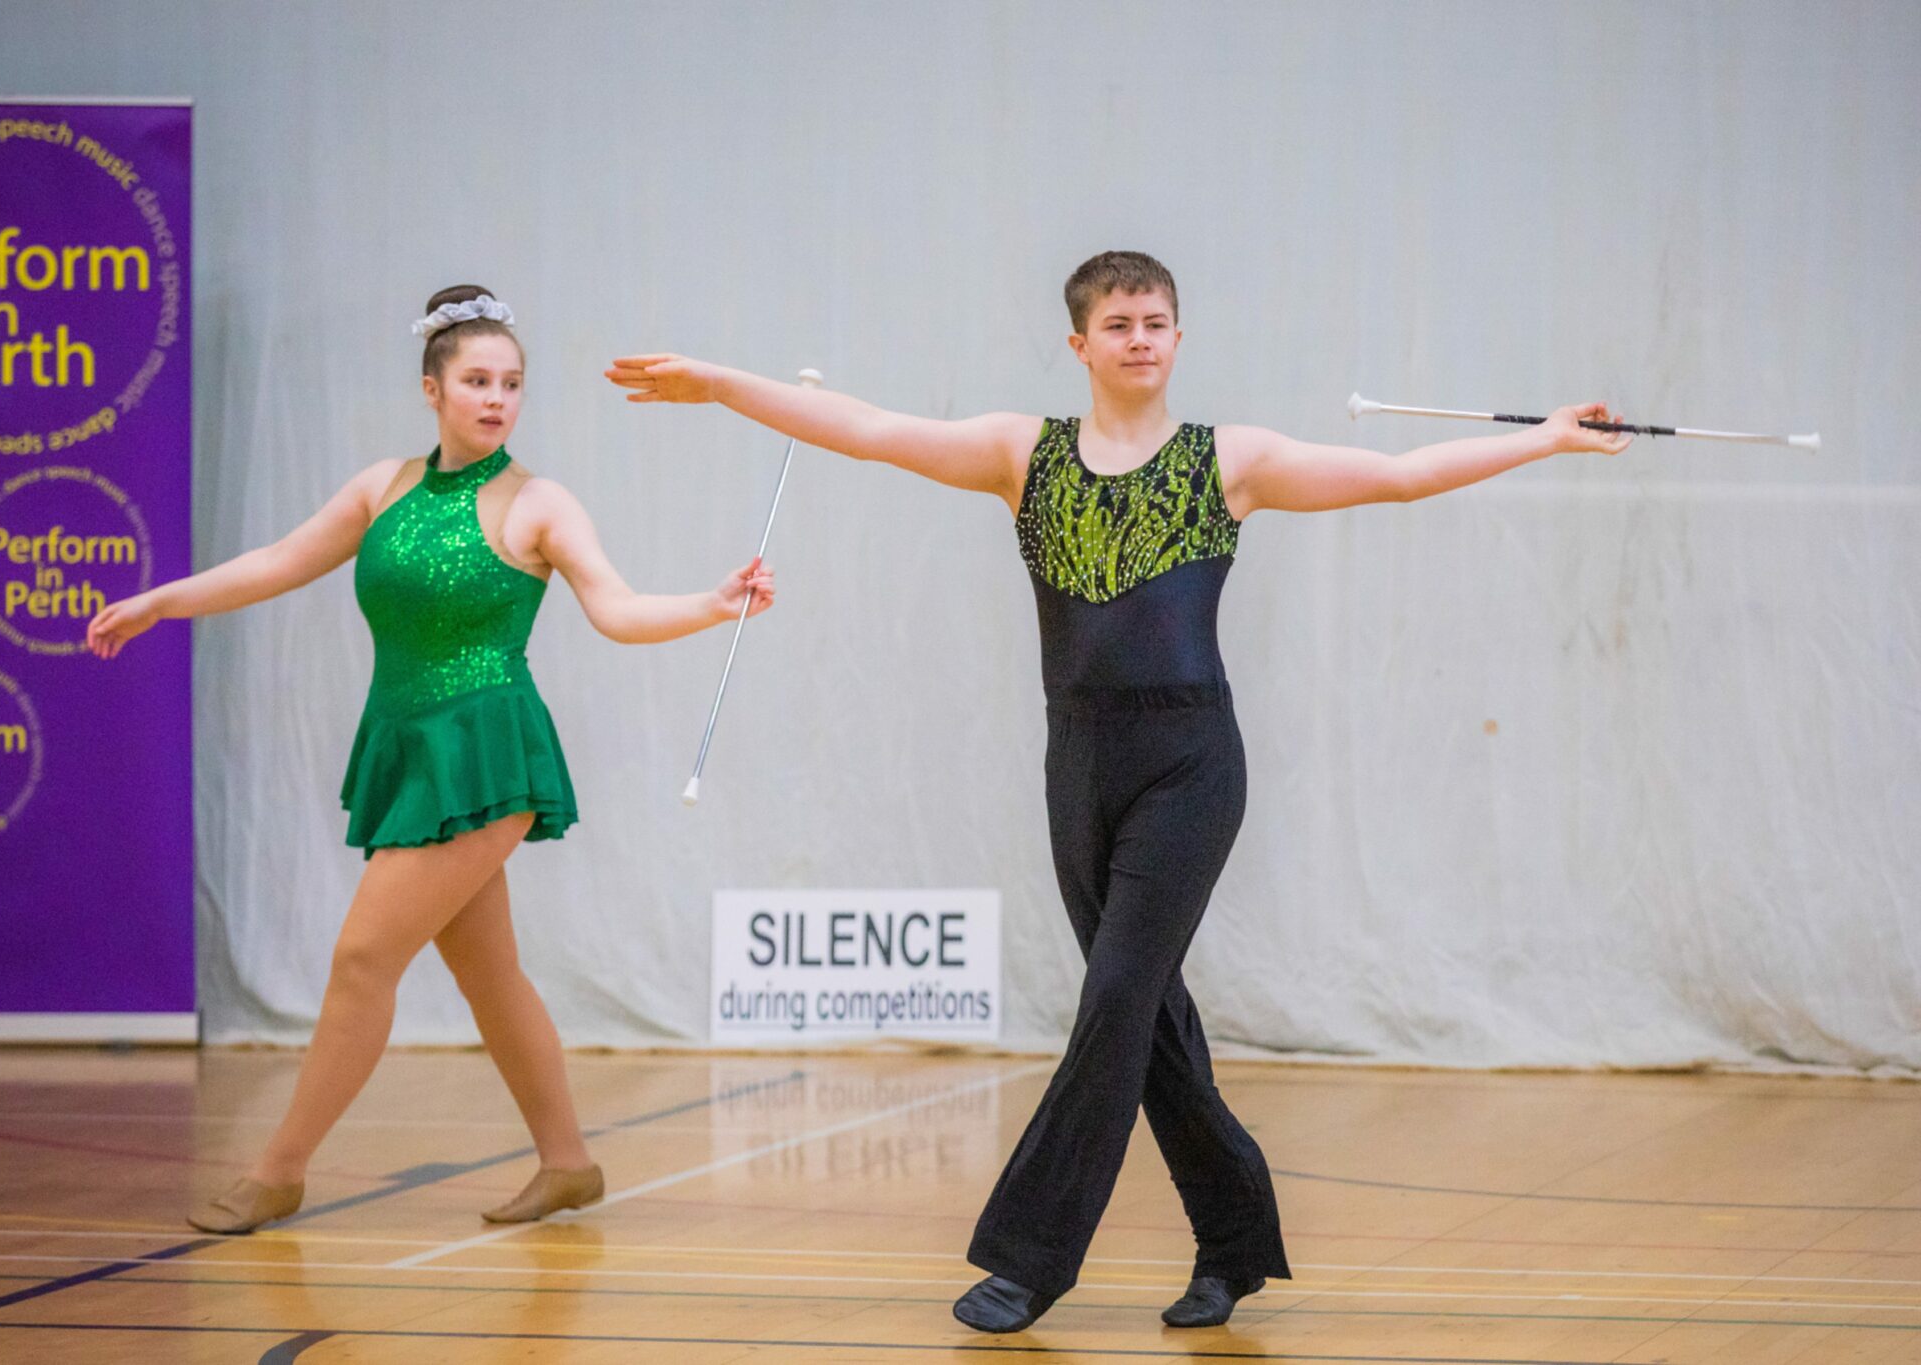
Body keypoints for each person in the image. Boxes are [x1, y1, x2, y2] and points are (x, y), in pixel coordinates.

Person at [604, 250, 1629, 1331]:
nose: (1140, 338)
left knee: (1111, 998)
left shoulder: (1229, 461)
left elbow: (1402, 472)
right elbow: (863, 427)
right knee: (1145, 1015)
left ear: (1177, 339)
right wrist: (719, 382)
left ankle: (1029, 1256)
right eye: (1120, 323)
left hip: (1190, 765)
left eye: (1157, 322)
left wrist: (1548, 436)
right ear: (1079, 344)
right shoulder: (1019, 454)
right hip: (1078, 763)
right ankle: (1233, 1243)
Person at [90, 285, 776, 1234]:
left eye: (513, 384)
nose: (498, 399)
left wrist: (712, 602)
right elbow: (283, 558)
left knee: (363, 956)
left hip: (486, 751)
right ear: (433, 389)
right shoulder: (384, 487)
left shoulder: (538, 503)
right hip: (409, 745)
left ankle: (279, 1170)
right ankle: (569, 1164)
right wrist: (161, 600)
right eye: (478, 381)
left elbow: (616, 610)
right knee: (490, 975)